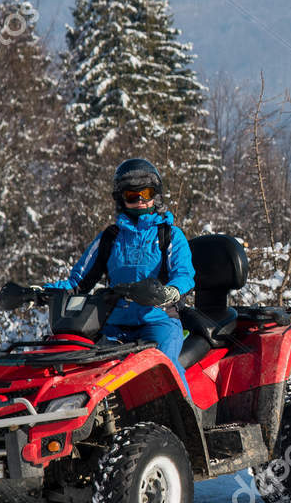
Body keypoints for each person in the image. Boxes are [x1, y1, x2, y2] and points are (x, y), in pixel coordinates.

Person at [46, 158, 197, 393]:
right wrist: (42, 291)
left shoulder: (169, 235)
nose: (139, 201)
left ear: (156, 195)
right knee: (86, 368)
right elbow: (78, 281)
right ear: (121, 199)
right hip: (115, 324)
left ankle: (182, 422)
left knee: (163, 368)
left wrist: (168, 292)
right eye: (131, 195)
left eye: (145, 193)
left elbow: (184, 275)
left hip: (158, 321)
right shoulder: (110, 237)